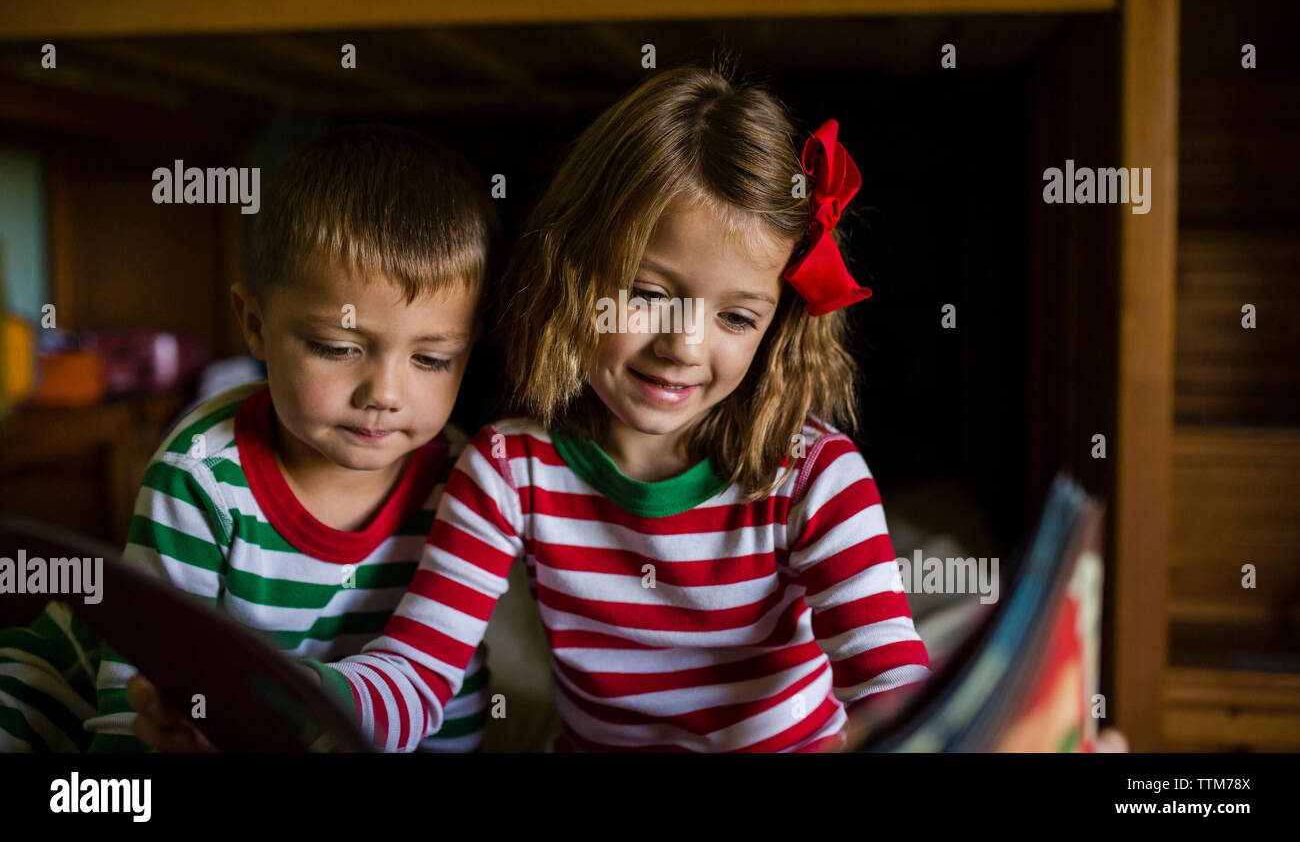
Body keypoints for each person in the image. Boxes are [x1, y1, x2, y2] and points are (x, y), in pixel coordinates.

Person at [305, 62, 932, 752]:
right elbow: (416, 674)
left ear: (776, 325)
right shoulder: (510, 469)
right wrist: (301, 699)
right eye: (649, 296)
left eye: (736, 318)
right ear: (572, 271)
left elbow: (886, 682)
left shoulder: (815, 478)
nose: (683, 348)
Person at [0, 123, 500, 753]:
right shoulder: (201, 473)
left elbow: (445, 697)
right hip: (79, 672)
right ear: (255, 324)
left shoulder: (470, 485)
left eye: (433, 359)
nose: (385, 393)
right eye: (336, 348)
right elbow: (135, 693)